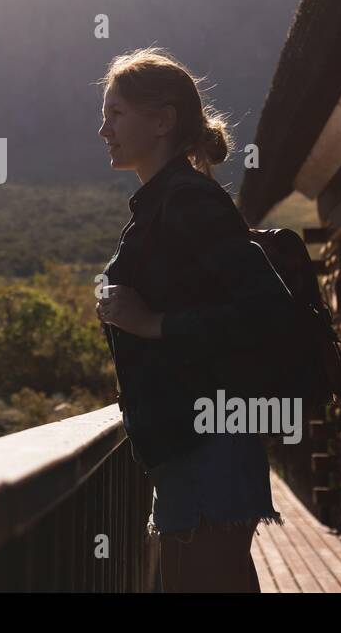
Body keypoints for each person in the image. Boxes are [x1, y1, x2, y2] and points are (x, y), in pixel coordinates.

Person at [94, 47, 290, 592]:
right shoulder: (161, 204)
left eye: (116, 114)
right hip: (190, 444)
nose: (102, 129)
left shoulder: (188, 201)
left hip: (210, 445)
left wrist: (152, 324)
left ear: (161, 120)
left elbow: (266, 309)